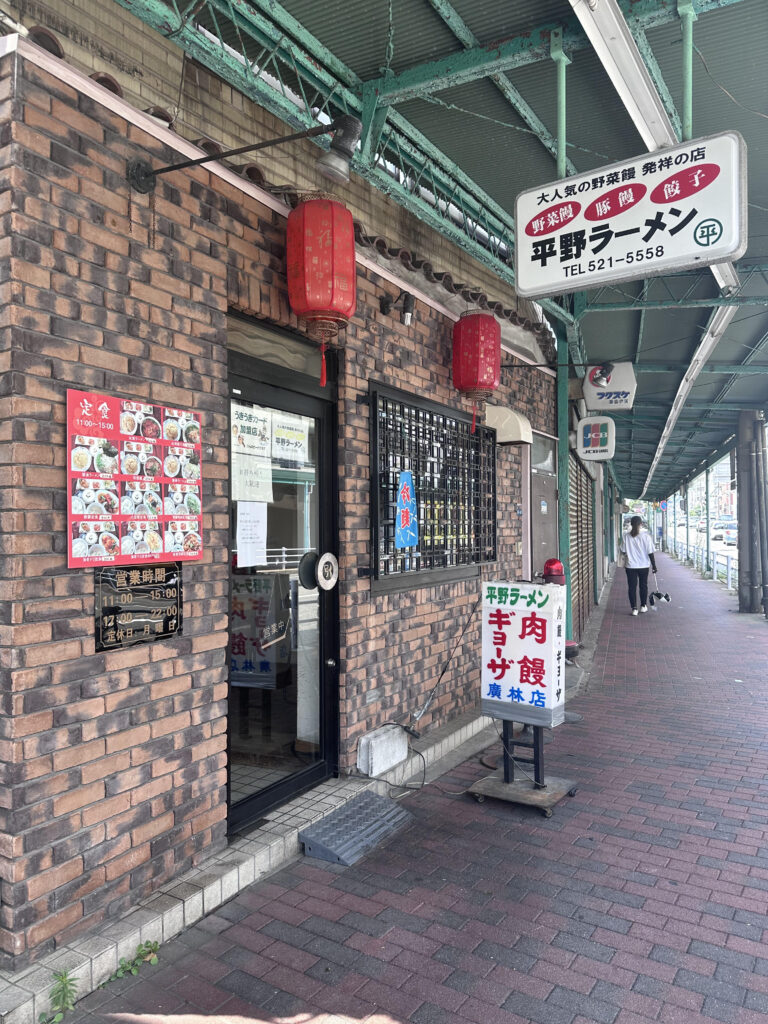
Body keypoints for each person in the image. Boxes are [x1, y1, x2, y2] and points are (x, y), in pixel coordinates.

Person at [621, 515, 657, 616]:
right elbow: (650, 553)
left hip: (630, 566)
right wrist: (654, 566)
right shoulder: (646, 536)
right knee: (643, 586)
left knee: (632, 587)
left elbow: (623, 550)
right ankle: (643, 606)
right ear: (641, 524)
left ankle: (634, 609)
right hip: (644, 565)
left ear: (631, 524)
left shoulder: (626, 536)